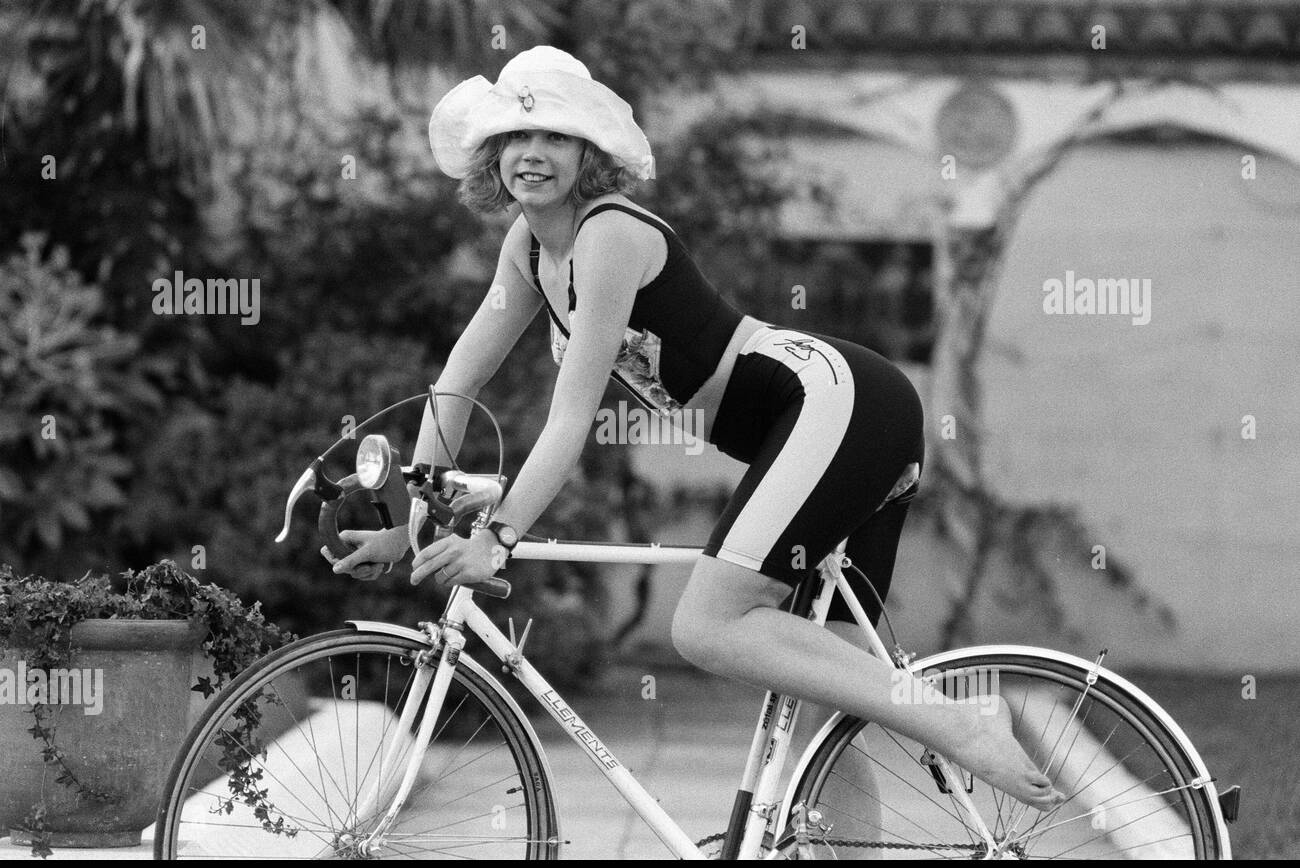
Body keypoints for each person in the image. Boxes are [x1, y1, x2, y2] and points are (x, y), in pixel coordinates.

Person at [330, 46, 1063, 811]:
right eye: (515, 138)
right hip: (828, 422)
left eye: (553, 136)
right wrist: (410, 521)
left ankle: (959, 717)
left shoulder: (607, 233)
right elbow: (459, 380)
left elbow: (572, 417)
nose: (531, 154)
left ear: (590, 153)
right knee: (820, 707)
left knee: (707, 625)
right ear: (491, 154)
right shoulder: (528, 247)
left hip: (835, 405)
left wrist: (499, 536)